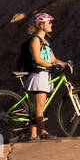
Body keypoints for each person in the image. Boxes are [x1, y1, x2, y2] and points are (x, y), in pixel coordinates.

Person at [25, 12, 70, 140]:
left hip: (45, 76)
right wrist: (51, 66)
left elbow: (53, 59)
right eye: (49, 22)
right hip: (39, 76)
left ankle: (33, 135)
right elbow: (38, 59)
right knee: (40, 108)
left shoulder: (45, 41)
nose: (51, 24)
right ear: (41, 25)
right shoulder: (35, 40)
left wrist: (63, 64)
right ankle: (43, 132)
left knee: (38, 108)